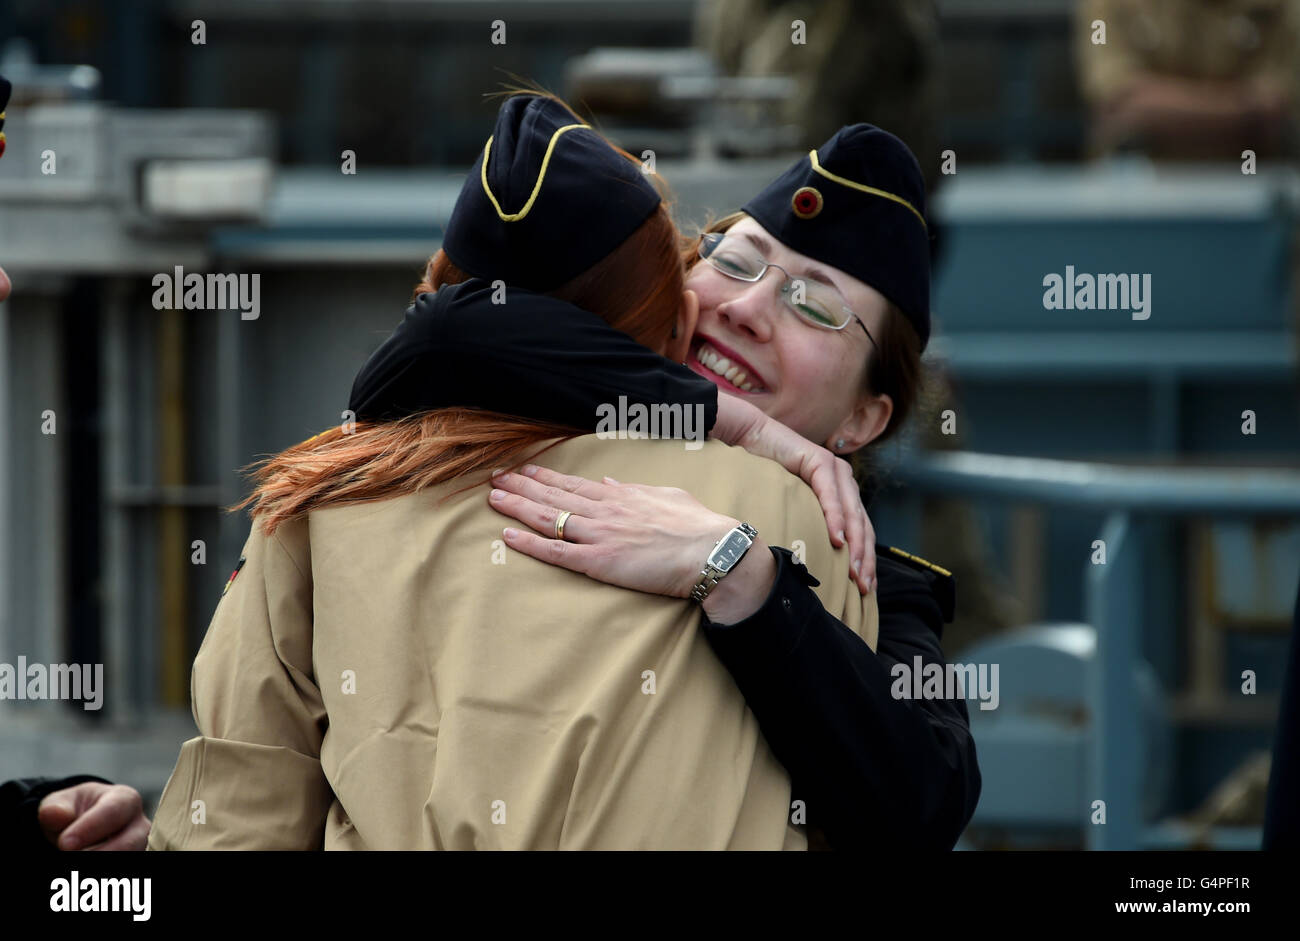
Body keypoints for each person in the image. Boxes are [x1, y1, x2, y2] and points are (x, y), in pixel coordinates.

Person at [147, 93, 878, 850]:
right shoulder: (800, 515)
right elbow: (873, 807)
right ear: (676, 326)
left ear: (435, 283)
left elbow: (234, 817)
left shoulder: (316, 504)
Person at [349, 111, 980, 849]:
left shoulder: (871, 582)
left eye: (816, 306)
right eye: (737, 263)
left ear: (864, 420)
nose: (746, 310)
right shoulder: (520, 422)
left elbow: (923, 800)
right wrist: (732, 419)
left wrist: (745, 580)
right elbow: (439, 329)